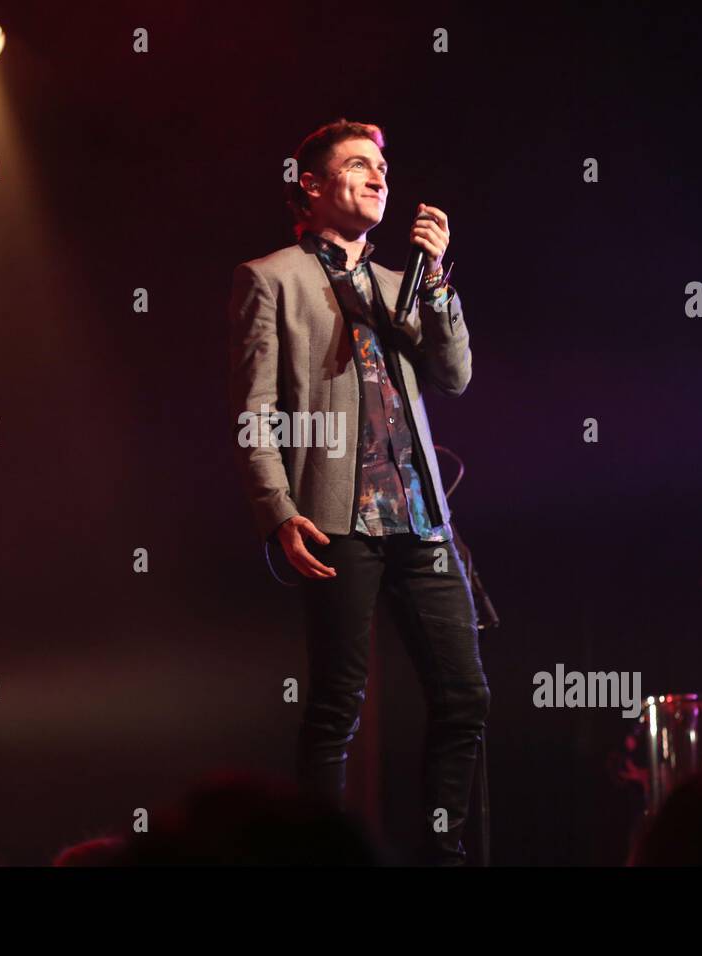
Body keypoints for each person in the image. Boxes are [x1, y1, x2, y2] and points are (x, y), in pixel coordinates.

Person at [227, 118, 490, 864]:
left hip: (419, 516)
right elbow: (253, 409)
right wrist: (277, 510)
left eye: (383, 166)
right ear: (310, 185)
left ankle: (441, 854)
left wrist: (435, 281)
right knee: (337, 705)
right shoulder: (270, 277)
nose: (379, 177)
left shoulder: (400, 284)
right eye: (358, 165)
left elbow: (455, 375)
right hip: (334, 512)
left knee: (464, 696)